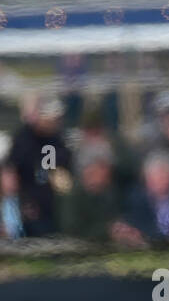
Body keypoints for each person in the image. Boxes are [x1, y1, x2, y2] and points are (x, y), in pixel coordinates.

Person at [7, 95, 72, 236]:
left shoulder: (57, 139)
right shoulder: (23, 139)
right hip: (28, 197)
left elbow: (63, 164)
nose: (54, 123)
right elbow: (12, 169)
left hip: (54, 199)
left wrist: (59, 173)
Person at [59, 144, 120, 241]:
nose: (108, 173)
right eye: (103, 167)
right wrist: (108, 231)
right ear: (88, 170)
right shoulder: (73, 197)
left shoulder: (108, 193)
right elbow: (72, 231)